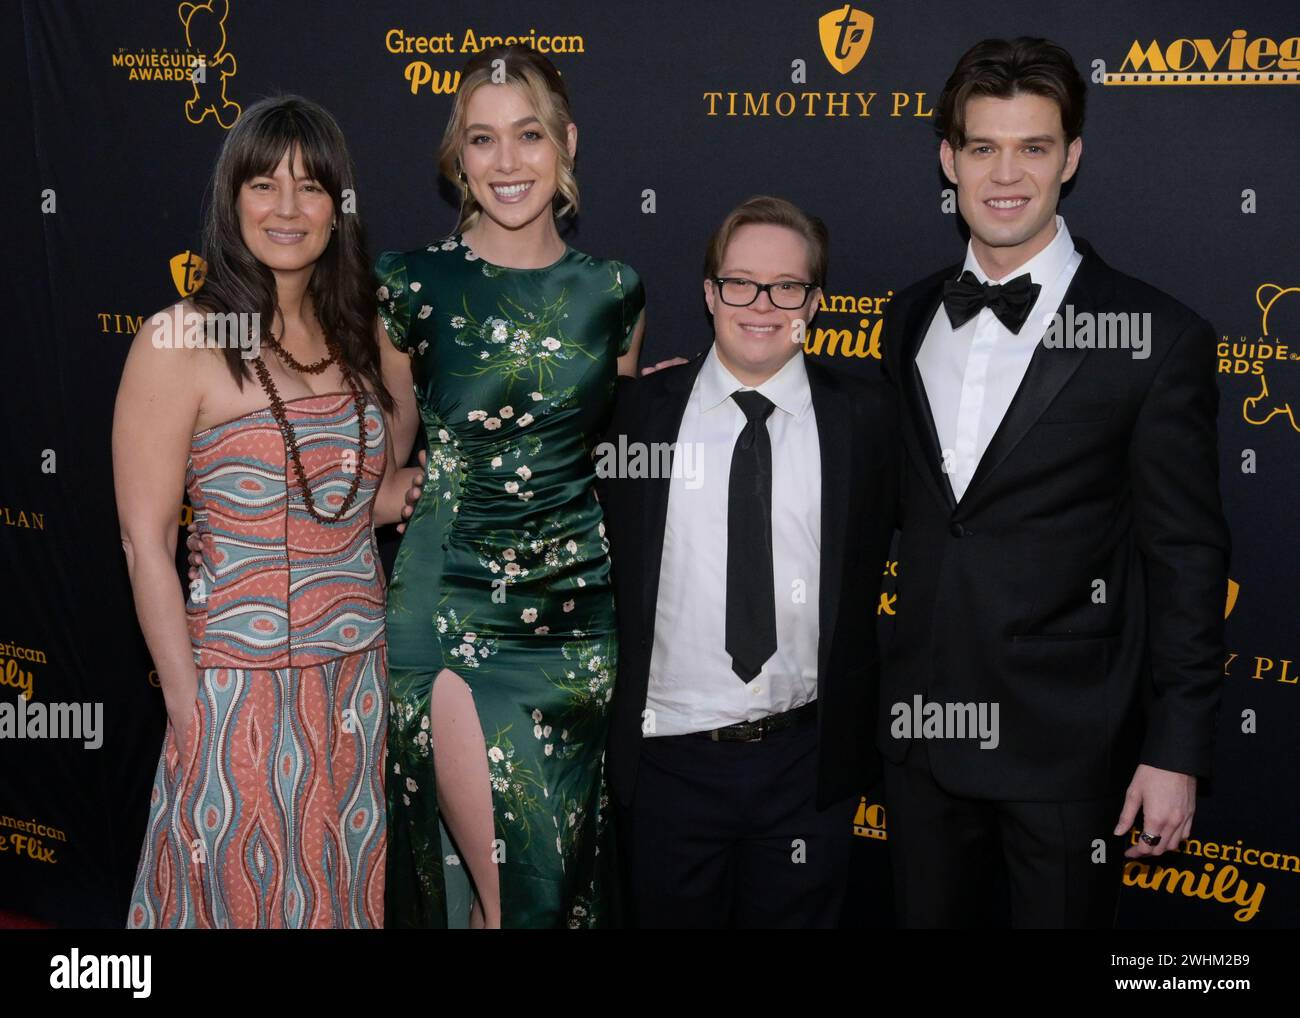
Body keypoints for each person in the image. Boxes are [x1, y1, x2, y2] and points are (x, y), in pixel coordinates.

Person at [879, 37, 1230, 928]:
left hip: (1069, 755)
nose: (1007, 174)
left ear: (1071, 158)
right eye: (984, 147)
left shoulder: (1155, 334)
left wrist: (1176, 749)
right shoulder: (907, 315)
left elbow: (1186, 557)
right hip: (921, 744)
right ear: (947, 158)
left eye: (1033, 147)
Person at [117, 95, 417, 928]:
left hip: (354, 689)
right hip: (237, 697)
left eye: (311, 187)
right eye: (263, 184)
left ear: (338, 209)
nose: (287, 208)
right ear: (232, 200)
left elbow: (366, 495)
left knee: (337, 899)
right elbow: (145, 543)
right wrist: (188, 708)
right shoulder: (180, 339)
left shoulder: (354, 334)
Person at [373, 45, 646, 928]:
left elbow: (611, 433)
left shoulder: (613, 294)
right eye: (482, 141)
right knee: (514, 894)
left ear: (566, 142)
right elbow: (380, 459)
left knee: (558, 886)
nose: (506, 162)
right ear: (459, 159)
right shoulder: (412, 285)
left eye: (527, 136)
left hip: (576, 618)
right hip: (451, 606)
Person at [598, 196, 898, 927]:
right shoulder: (634, 415)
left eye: (787, 287)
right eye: (740, 283)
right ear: (708, 293)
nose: (762, 305)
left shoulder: (869, 417)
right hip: (667, 762)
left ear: (815, 303)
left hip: (806, 762)